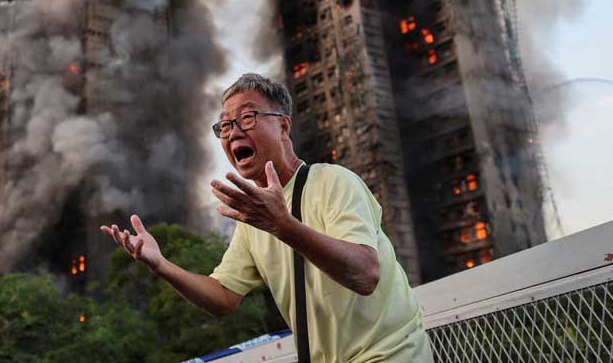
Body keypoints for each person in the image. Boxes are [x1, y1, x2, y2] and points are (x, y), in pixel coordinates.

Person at [101, 73, 433, 362]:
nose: (233, 132)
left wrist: (282, 226)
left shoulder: (333, 181)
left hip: (390, 354)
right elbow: (223, 298)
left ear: (283, 126)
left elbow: (365, 274)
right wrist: (162, 265)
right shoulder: (253, 220)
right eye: (225, 125)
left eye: (247, 117)